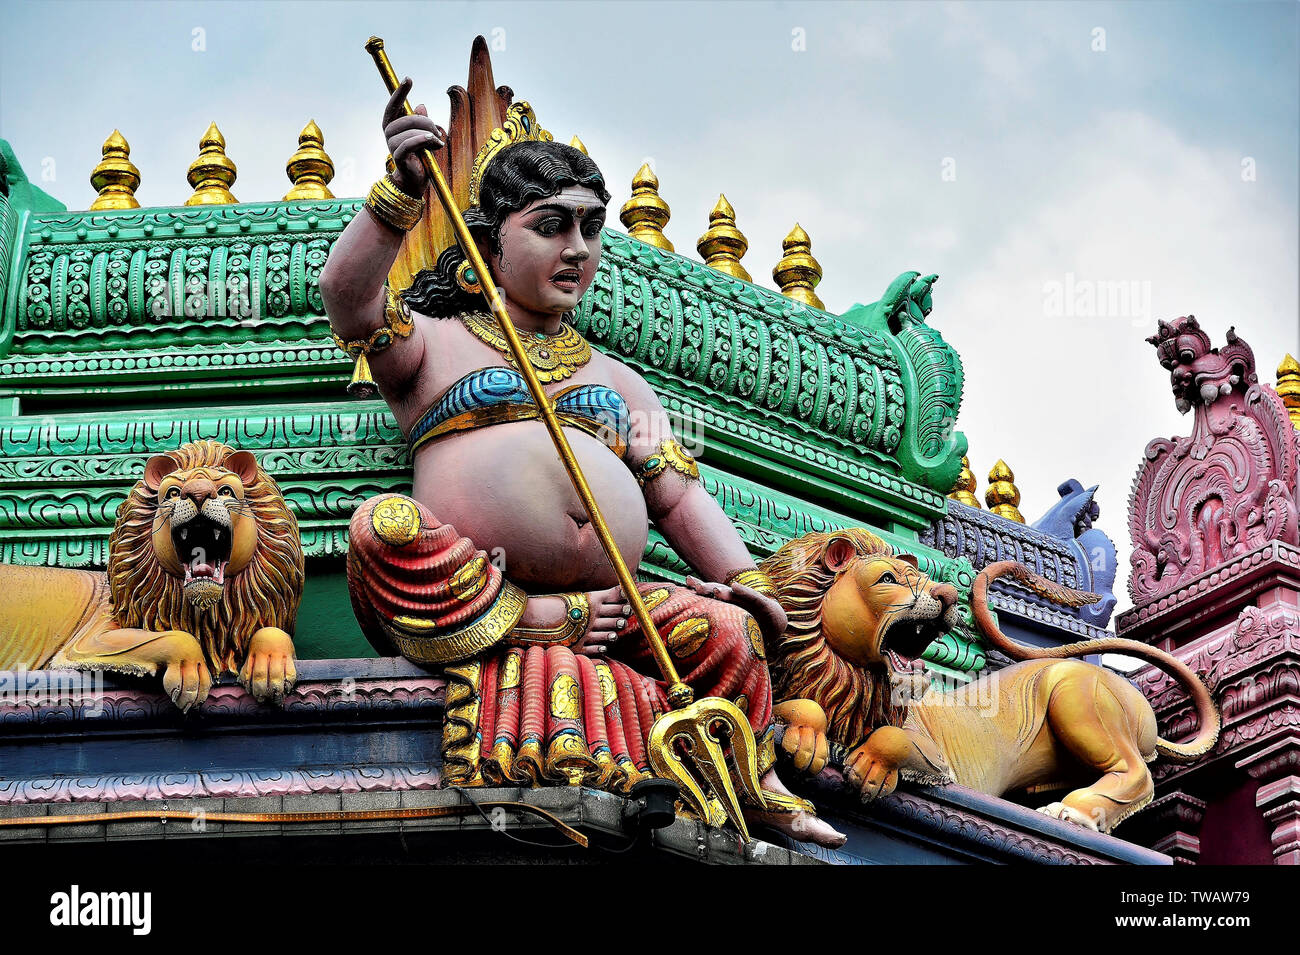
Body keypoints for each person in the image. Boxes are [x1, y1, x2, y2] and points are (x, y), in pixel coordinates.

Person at [319, 76, 844, 847]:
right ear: (490, 240)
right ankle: (532, 624)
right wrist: (398, 193)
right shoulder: (434, 344)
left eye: (592, 228)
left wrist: (748, 583)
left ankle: (748, 776)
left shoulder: (618, 379)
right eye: (552, 225)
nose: (578, 249)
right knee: (383, 528)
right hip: (481, 590)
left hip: (619, 610)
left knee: (730, 633)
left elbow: (675, 497)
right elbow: (346, 295)